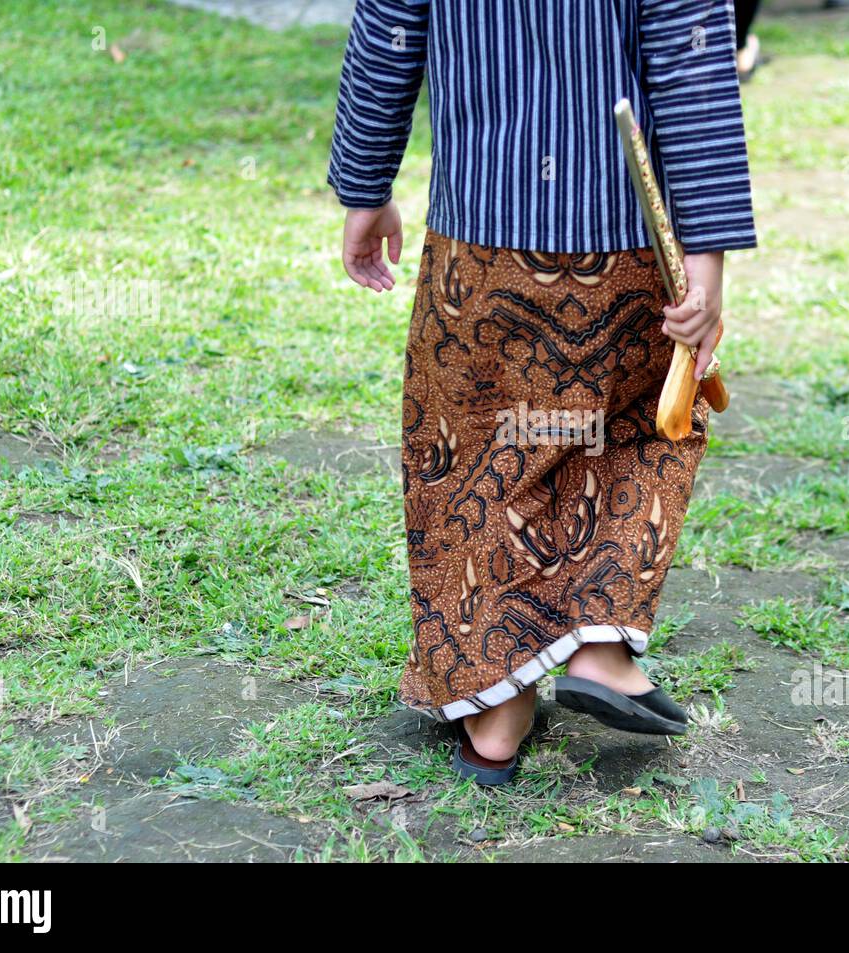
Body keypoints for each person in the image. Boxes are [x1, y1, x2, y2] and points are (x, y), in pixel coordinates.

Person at [328, 0, 756, 785]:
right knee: (630, 431)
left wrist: (364, 184)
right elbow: (695, 67)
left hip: (479, 239)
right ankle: (597, 644)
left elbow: (387, 35)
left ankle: (498, 710)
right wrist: (709, 255)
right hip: (622, 236)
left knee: (471, 456)